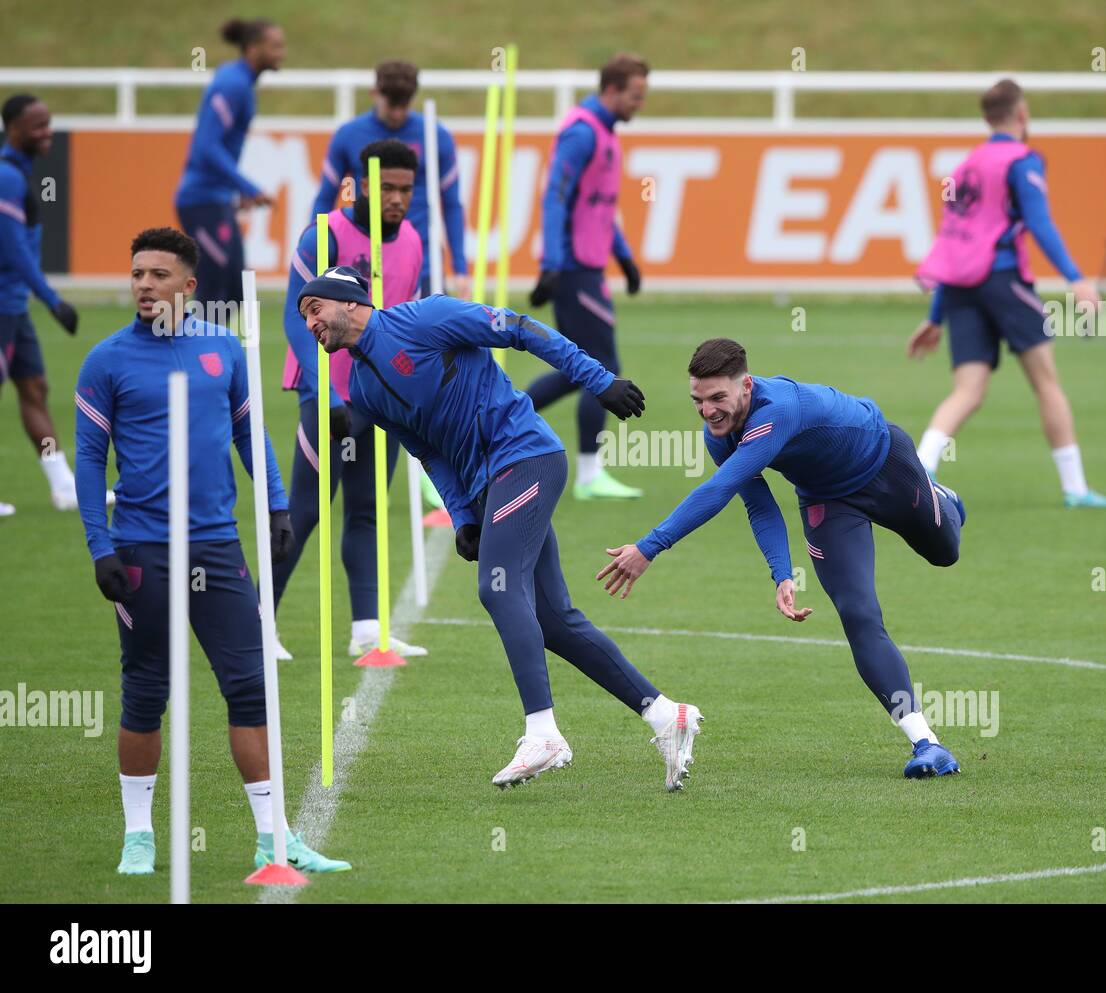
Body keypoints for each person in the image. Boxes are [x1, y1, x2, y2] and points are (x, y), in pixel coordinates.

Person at [296, 265, 702, 791]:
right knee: (554, 622)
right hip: (490, 488)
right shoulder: (364, 388)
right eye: (303, 316)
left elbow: (521, 328)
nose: (309, 325)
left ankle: (543, 732)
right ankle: (664, 714)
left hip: (527, 456)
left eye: (314, 310)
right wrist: (463, 516)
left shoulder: (428, 316)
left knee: (497, 586)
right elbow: (427, 452)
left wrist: (598, 381)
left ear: (349, 302)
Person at [74, 227, 348, 876]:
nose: (144, 284)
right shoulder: (106, 360)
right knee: (146, 690)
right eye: (137, 272)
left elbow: (250, 435)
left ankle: (272, 837)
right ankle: (138, 836)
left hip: (218, 547)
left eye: (158, 274)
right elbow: (88, 460)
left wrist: (277, 505)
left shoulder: (224, 349)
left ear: (189, 286)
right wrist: (99, 546)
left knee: (251, 685)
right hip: (141, 548)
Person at [599, 338, 964, 779]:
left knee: (945, 554)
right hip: (827, 501)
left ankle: (943, 498)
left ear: (746, 386)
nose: (708, 410)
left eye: (719, 398)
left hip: (886, 464)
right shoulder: (720, 435)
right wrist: (781, 573)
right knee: (858, 613)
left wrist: (649, 547)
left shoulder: (778, 409)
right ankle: (926, 743)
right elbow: (757, 503)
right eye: (698, 400)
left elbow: (717, 491)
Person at [910, 78, 1106, 509]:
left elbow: (953, 241)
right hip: (1003, 280)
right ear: (1022, 114)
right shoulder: (1022, 161)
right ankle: (1075, 488)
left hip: (962, 287)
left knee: (968, 390)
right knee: (1046, 383)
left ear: (986, 118)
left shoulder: (965, 168)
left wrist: (936, 313)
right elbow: (1040, 223)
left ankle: (922, 467)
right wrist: (1076, 278)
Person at [275, 139, 427, 661]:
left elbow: (409, 322)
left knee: (366, 510)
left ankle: (367, 629)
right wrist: (325, 392)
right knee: (304, 511)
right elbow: (297, 317)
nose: (397, 198)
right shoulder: (324, 234)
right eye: (387, 187)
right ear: (361, 184)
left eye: (406, 189)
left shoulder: (412, 240)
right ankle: (257, 625)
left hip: (382, 399)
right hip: (328, 396)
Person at [525, 53, 648, 502]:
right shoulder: (580, 133)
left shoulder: (605, 135)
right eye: (635, 96)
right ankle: (589, 473)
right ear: (612, 90)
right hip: (575, 271)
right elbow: (555, 197)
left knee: (577, 370)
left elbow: (599, 208)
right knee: (601, 368)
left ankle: (491, 421)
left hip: (589, 268)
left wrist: (625, 259)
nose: (639, 104)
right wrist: (553, 264)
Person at [311, 60, 468, 299]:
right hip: (359, 263)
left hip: (422, 263)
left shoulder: (436, 136)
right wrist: (316, 253)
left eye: (403, 105)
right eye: (391, 105)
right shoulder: (348, 135)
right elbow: (324, 198)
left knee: (428, 334)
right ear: (375, 93)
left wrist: (460, 268)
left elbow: (452, 204)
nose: (397, 114)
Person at [0, 93, 80, 514]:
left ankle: (62, 484)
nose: (47, 132)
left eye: (48, 123)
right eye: (38, 125)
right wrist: (53, 300)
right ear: (13, 129)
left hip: (14, 306)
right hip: (3, 305)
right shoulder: (8, 177)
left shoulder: (21, 174)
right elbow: (12, 249)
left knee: (35, 388)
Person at [174, 18, 285, 314]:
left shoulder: (241, 83)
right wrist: (248, 187)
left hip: (217, 199)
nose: (281, 53)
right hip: (201, 200)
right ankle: (184, 354)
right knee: (213, 294)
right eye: (275, 46)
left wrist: (236, 192)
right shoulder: (233, 84)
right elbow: (206, 146)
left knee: (235, 293)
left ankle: (212, 355)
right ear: (252, 48)